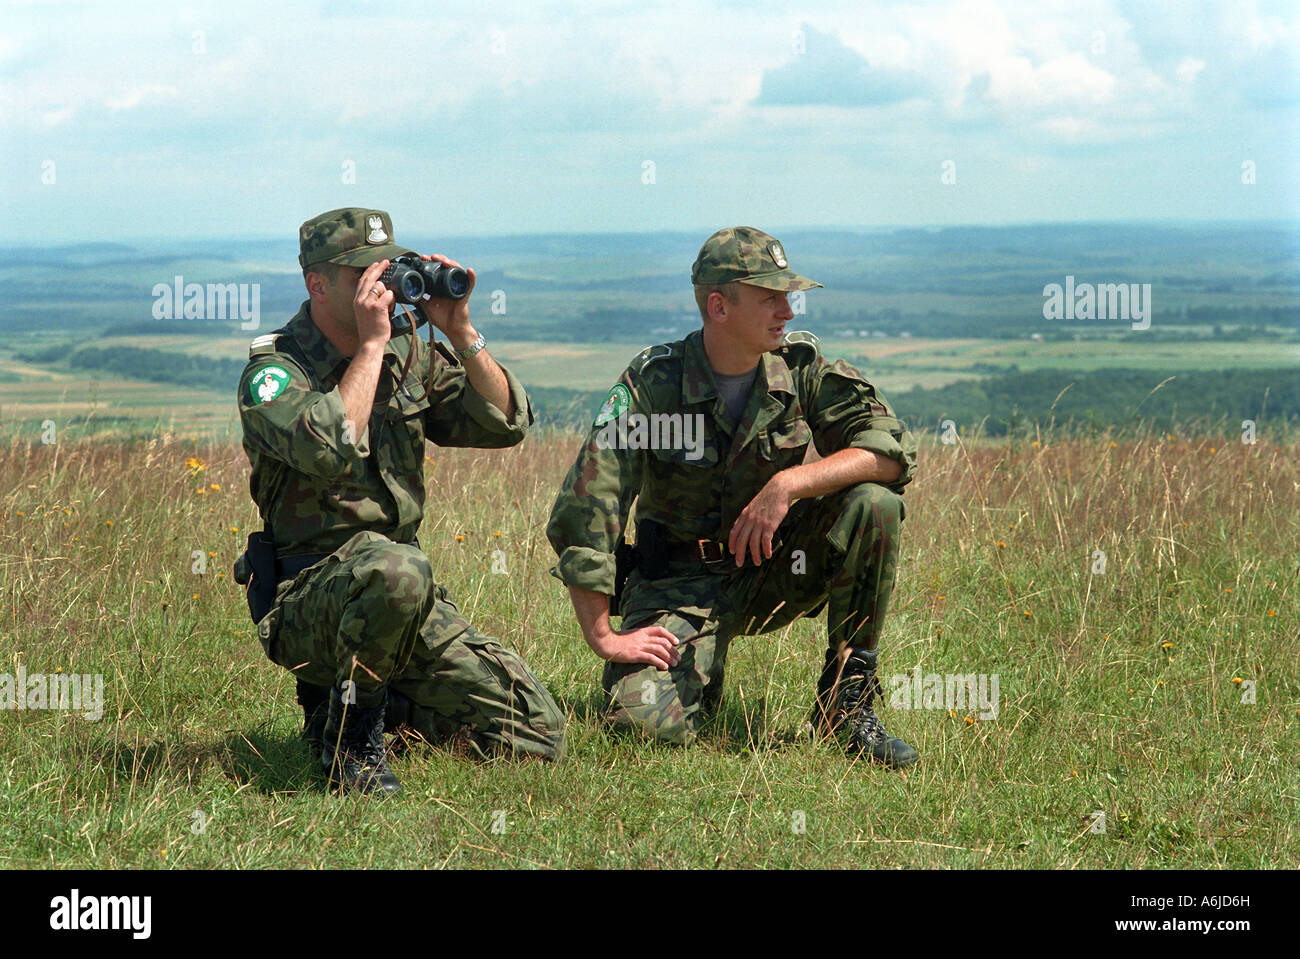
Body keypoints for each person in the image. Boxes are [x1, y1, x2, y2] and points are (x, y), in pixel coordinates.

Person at [546, 226, 919, 767]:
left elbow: (891, 452)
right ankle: (700, 673)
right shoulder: (656, 384)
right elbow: (587, 508)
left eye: (788, 297)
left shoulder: (800, 368)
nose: (787, 312)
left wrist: (789, 483)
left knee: (873, 502)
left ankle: (846, 698)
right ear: (719, 307)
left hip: (775, 567)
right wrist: (604, 636)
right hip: (677, 581)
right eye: (770, 298)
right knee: (645, 727)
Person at [236, 207, 565, 796]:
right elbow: (330, 448)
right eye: (364, 273)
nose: (381, 285)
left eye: (387, 269)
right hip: (308, 599)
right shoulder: (275, 372)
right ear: (318, 284)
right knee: (397, 565)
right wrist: (368, 347)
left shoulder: (408, 354)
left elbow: (507, 422)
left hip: (400, 596)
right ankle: (348, 741)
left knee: (536, 734)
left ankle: (381, 704)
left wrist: (460, 330)